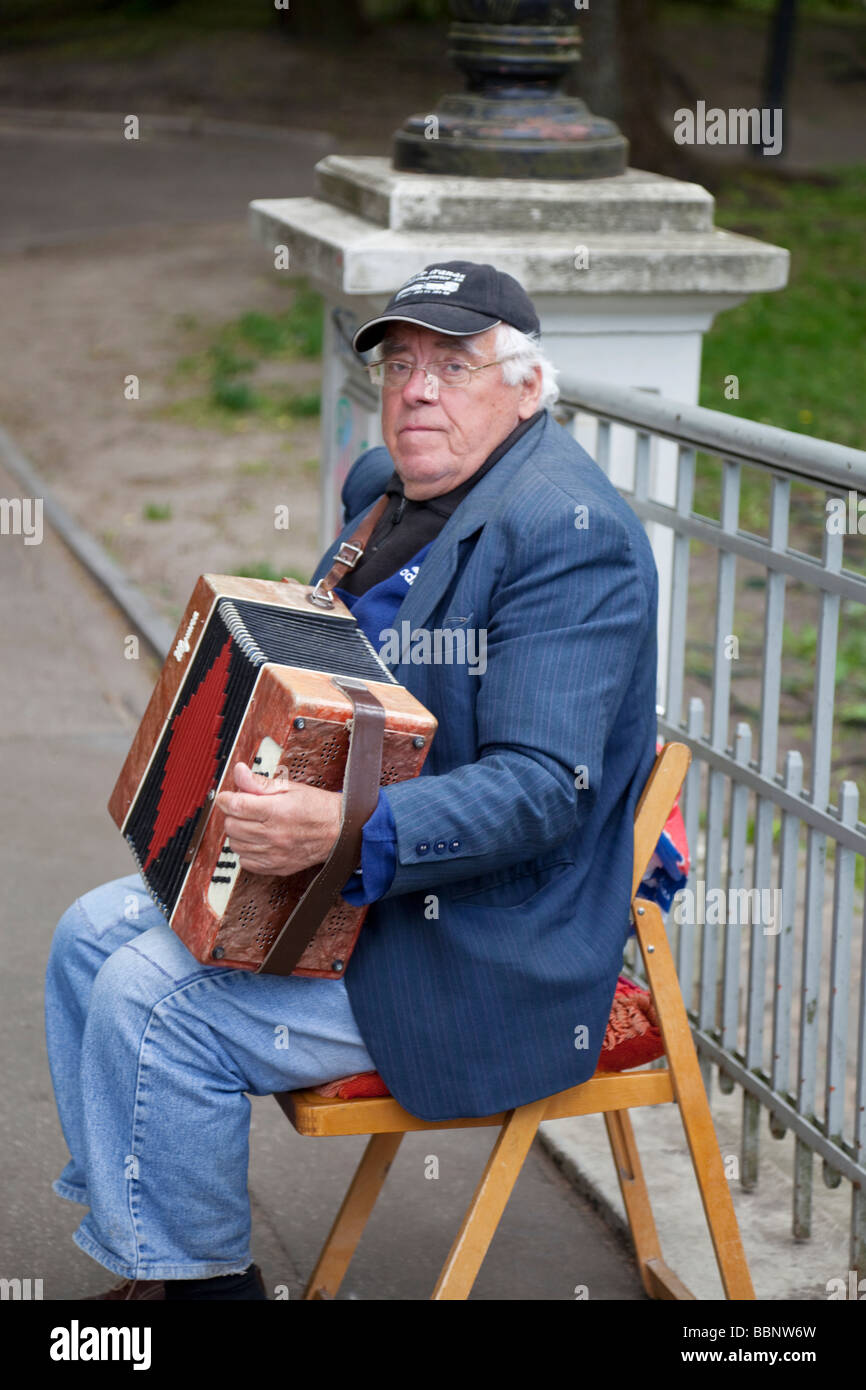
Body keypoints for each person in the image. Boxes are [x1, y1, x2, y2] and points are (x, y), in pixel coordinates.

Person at [45, 261, 659, 1300]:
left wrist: (340, 830)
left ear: (526, 385)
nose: (417, 388)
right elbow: (358, 673)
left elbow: (540, 788)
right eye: (401, 363)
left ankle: (207, 1290)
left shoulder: (566, 536)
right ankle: (155, 1249)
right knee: (87, 937)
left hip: (482, 938)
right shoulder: (384, 487)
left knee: (156, 998)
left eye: (453, 365)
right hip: (375, 889)